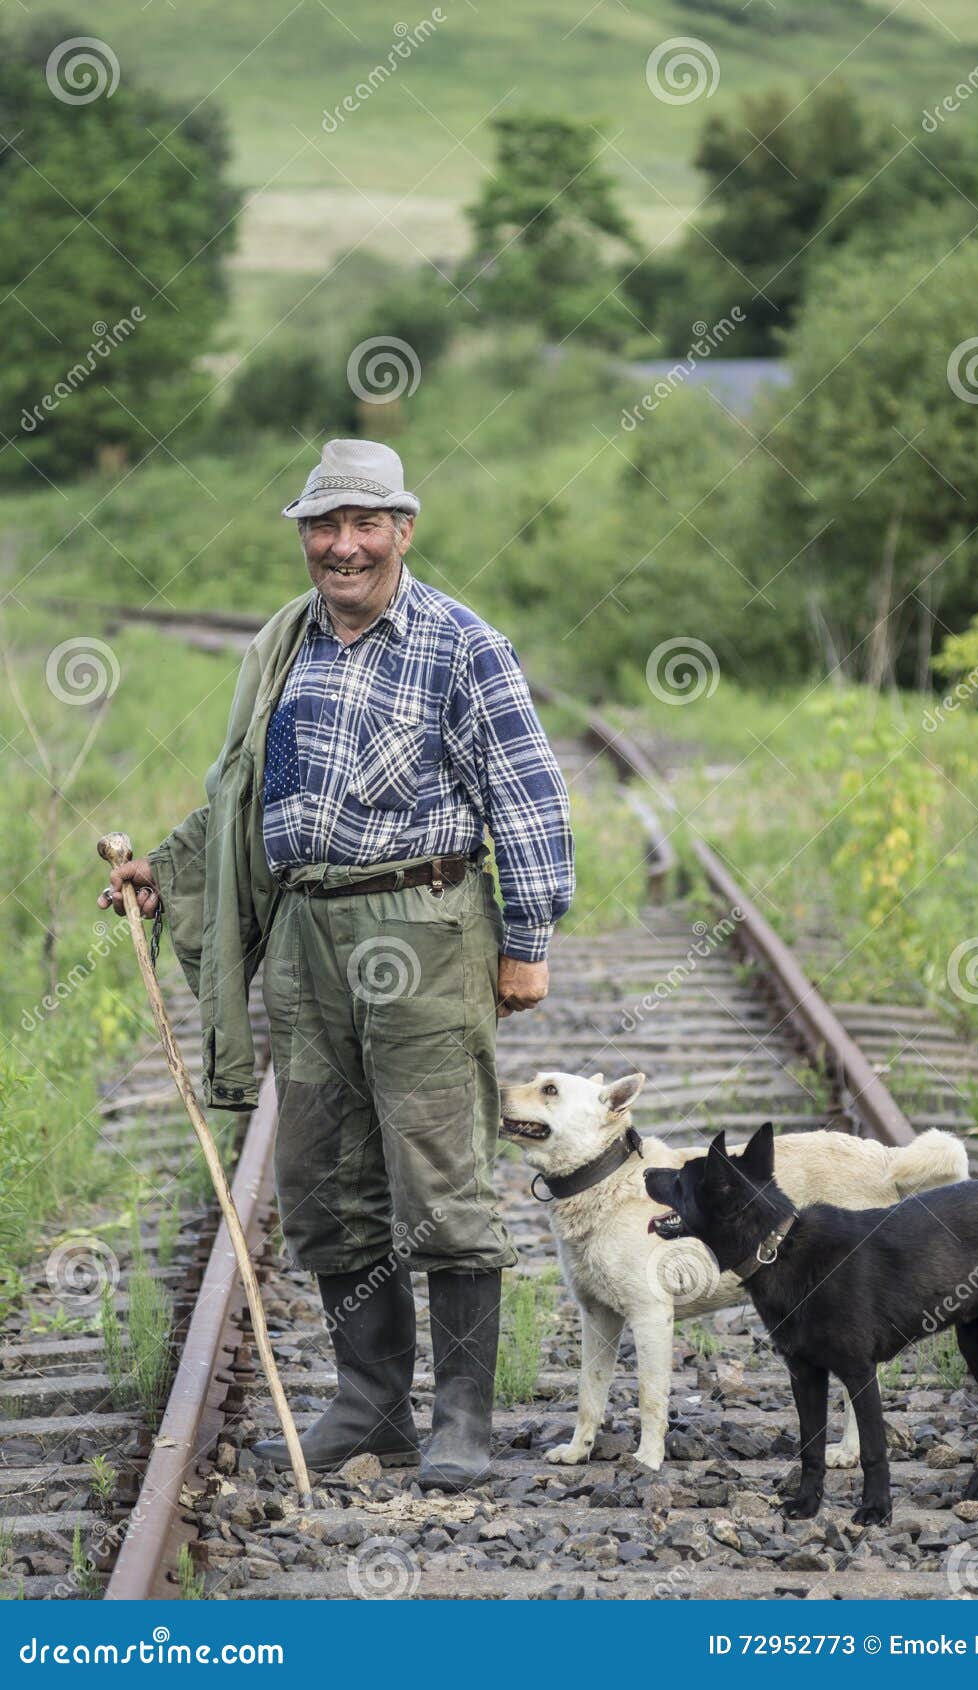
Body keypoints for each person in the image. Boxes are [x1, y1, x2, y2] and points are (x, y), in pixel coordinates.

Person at [98, 438, 575, 1491]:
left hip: (424, 925)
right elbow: (244, 793)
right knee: (323, 1179)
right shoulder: (284, 644)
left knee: (437, 1171)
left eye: (364, 523)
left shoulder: (463, 644)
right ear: (306, 536)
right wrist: (163, 876)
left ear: (402, 530)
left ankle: (459, 1418)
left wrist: (527, 938)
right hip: (308, 938)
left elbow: (529, 792)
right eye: (324, 525)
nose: (342, 544)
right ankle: (370, 1409)